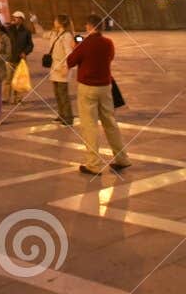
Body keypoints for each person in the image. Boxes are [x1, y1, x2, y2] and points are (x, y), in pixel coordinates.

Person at [66, 13, 132, 175]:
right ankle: (122, 158)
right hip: (105, 86)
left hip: (88, 87)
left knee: (89, 125)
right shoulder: (108, 43)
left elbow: (70, 62)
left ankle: (94, 164)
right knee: (110, 123)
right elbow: (110, 58)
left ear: (89, 26)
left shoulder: (84, 44)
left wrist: (76, 47)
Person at [46, 15, 76, 125]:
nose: (54, 22)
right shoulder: (55, 33)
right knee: (58, 94)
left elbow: (69, 53)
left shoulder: (67, 36)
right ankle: (62, 115)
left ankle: (68, 118)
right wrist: (35, 23)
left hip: (62, 68)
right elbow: (42, 34)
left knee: (63, 94)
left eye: (56, 20)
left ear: (61, 22)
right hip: (55, 67)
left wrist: (66, 67)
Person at [5, 11, 34, 105]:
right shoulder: (8, 29)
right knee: (8, 79)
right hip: (9, 58)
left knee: (19, 80)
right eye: (14, 17)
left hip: (21, 59)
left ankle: (18, 99)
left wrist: (25, 52)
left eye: (17, 17)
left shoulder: (26, 31)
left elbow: (30, 45)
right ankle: (6, 98)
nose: (15, 19)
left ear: (22, 19)